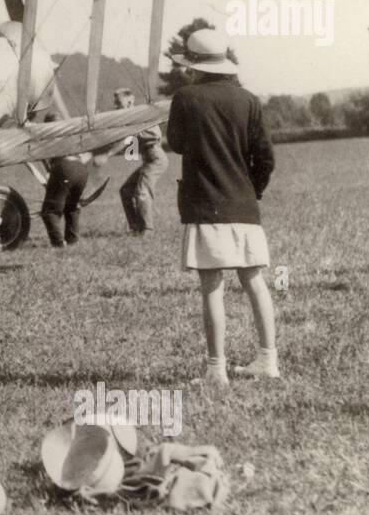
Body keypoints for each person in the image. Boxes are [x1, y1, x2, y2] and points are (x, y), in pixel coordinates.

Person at [166, 29, 277, 386]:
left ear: (193, 66)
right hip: (243, 205)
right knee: (254, 281)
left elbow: (178, 145)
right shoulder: (249, 99)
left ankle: (216, 369)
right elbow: (266, 158)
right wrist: (251, 191)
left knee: (211, 285)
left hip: (205, 204)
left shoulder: (185, 98)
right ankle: (268, 360)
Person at [112, 87, 169, 234]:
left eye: (118, 103)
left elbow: (154, 135)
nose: (116, 106)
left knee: (142, 191)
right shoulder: (129, 120)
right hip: (149, 158)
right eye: (115, 103)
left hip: (155, 157)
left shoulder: (142, 115)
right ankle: (135, 227)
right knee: (125, 191)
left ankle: (147, 230)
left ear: (130, 101)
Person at [41, 144, 92, 247]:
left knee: (50, 211)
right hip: (81, 169)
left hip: (64, 167)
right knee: (72, 207)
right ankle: (72, 241)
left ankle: (58, 243)